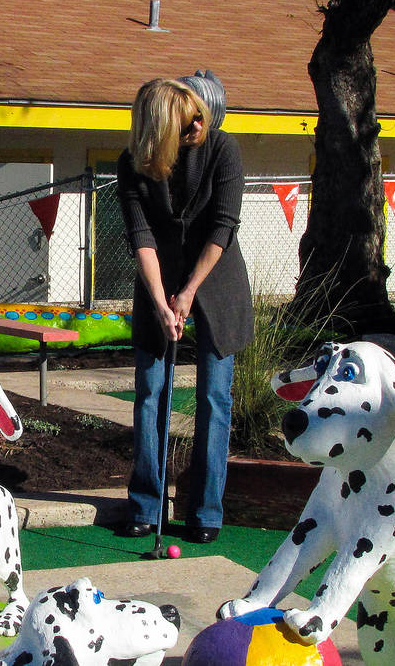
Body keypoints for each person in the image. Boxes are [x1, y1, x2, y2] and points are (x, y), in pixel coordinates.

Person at [116, 74, 253, 544]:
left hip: (215, 278)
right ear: (161, 129)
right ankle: (145, 506)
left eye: (199, 115)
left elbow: (223, 226)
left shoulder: (222, 148)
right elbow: (141, 236)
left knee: (214, 397)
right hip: (157, 278)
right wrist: (160, 300)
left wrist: (190, 290)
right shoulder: (133, 163)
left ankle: (205, 511)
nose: (198, 124)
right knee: (151, 393)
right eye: (187, 120)